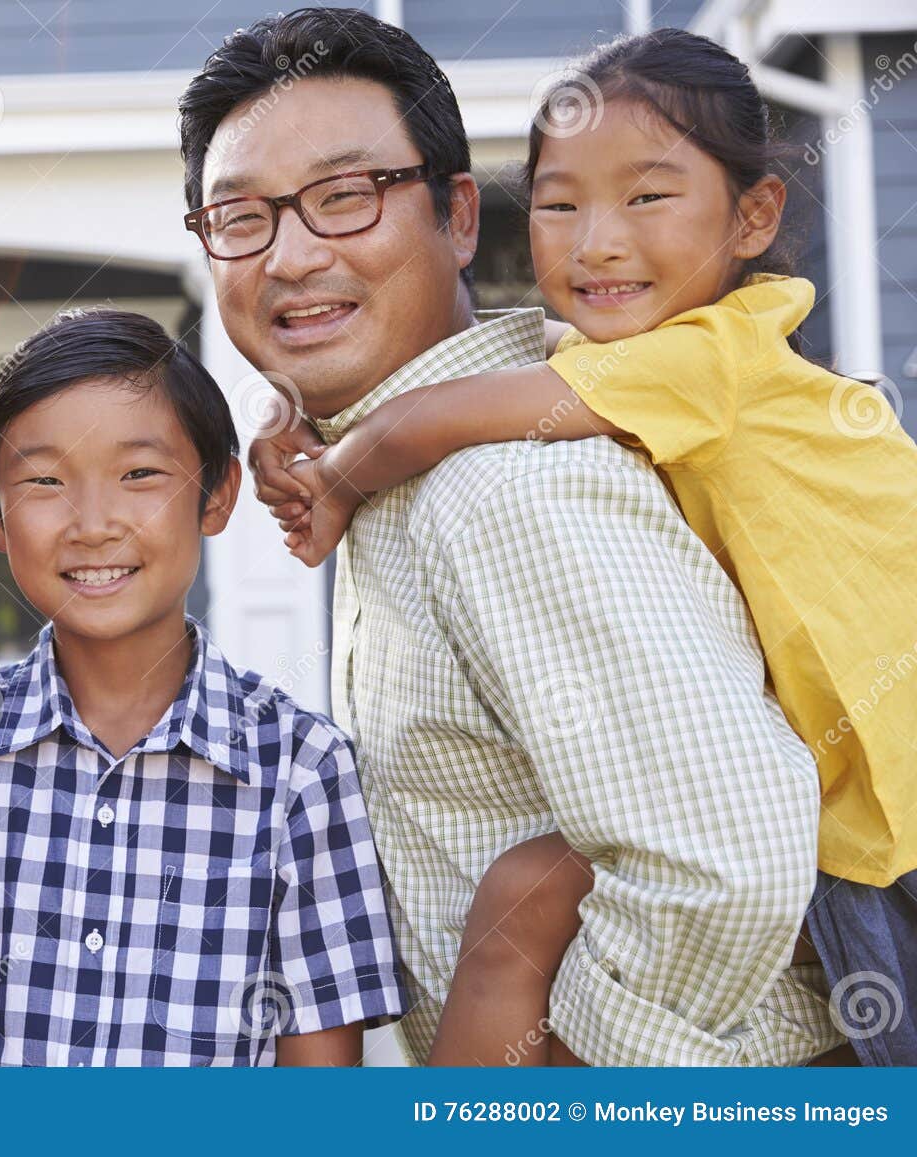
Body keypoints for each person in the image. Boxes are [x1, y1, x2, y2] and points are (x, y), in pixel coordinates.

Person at [181, 7, 845, 1065]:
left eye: (345, 197)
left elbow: (723, 851)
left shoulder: (501, 488)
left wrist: (550, 1081)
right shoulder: (419, 463)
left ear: (454, 216)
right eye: (239, 217)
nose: (291, 256)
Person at [0, 309, 403, 1066]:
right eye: (45, 481)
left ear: (216, 495)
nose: (94, 522)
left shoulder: (301, 770)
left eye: (140, 474)